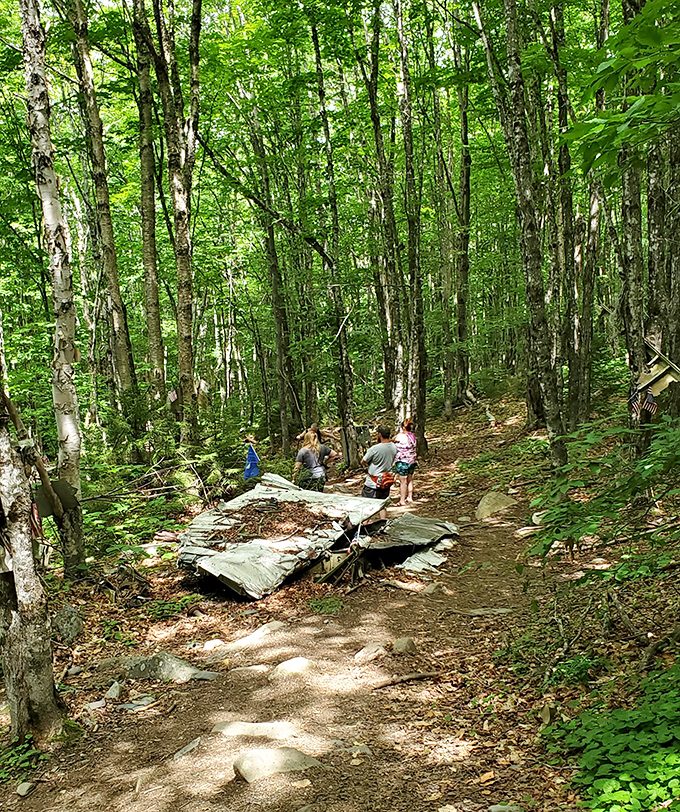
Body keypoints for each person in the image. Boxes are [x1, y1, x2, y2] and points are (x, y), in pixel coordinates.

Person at [361, 425, 397, 520]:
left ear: (379, 434)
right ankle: (383, 525)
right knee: (382, 505)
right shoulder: (394, 447)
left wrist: (367, 465)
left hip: (372, 482)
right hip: (386, 480)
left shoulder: (374, 449)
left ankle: (364, 526)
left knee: (367, 505)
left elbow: (363, 461)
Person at [393, 417, 417, 506]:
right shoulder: (412, 436)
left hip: (402, 461)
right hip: (412, 461)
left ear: (403, 427)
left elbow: (393, 439)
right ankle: (410, 497)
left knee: (403, 481)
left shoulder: (400, 436)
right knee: (410, 478)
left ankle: (402, 500)